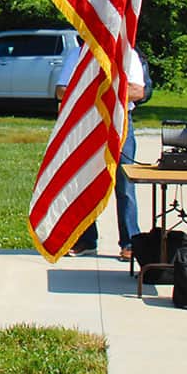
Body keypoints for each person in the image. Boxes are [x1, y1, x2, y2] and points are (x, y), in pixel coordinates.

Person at [57, 43, 147, 260]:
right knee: (84, 182)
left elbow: (137, 90)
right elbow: (60, 90)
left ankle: (129, 242)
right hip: (87, 122)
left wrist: (95, 91)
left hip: (119, 122)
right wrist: (102, 91)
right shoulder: (78, 54)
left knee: (124, 184)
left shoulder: (128, 54)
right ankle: (86, 240)